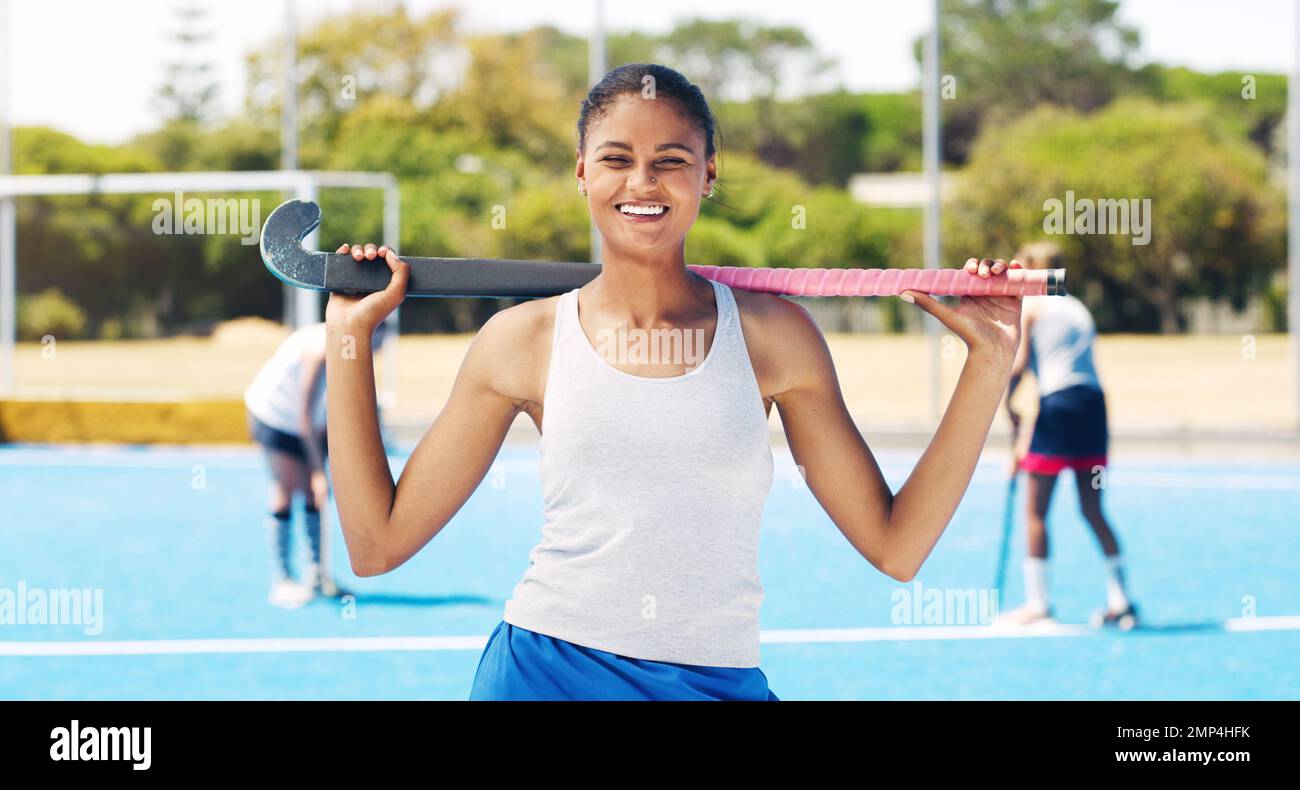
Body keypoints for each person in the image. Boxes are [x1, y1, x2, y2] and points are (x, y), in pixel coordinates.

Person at [324, 63, 1025, 700]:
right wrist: (348, 338)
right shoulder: (522, 341)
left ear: (708, 174)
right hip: (547, 676)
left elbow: (896, 547)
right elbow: (376, 544)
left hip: (716, 682)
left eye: (670, 161)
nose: (642, 184)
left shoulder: (775, 338)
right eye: (616, 160)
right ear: (581, 173)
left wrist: (988, 362)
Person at [997, 241, 1137, 630]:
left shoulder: (1034, 307)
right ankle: (1121, 599)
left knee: (1036, 511)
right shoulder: (1077, 307)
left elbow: (1019, 367)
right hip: (1093, 407)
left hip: (1057, 405)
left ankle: (1038, 604)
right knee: (1093, 509)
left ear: (1036, 269)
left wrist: (1009, 410)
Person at [245, 318, 390, 608]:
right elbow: (304, 415)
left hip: (307, 423)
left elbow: (330, 414)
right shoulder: (320, 349)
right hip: (275, 416)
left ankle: (317, 575)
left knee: (314, 496)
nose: (374, 352)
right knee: (286, 489)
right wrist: (316, 471)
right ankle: (282, 579)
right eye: (374, 343)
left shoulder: (348, 350)